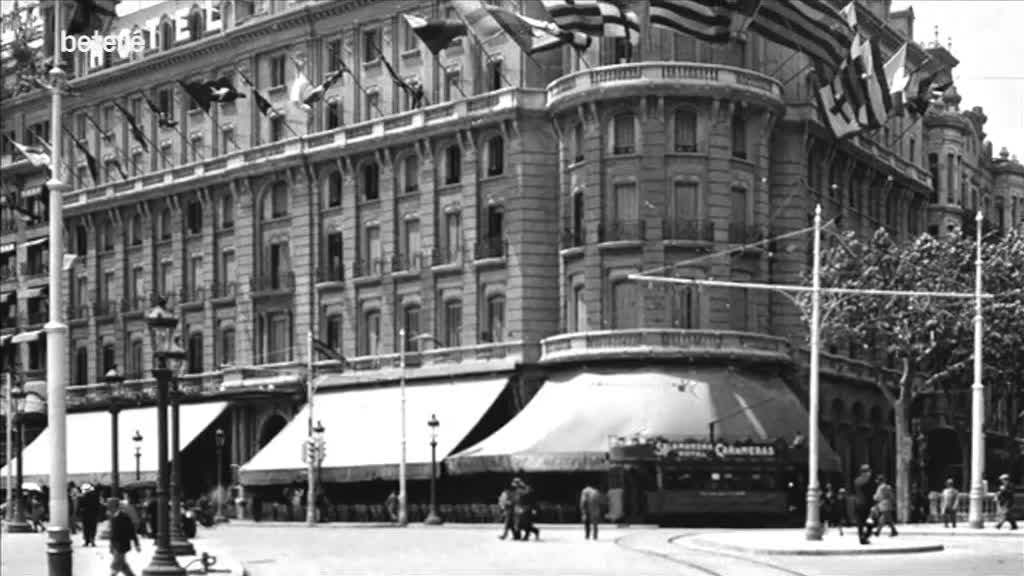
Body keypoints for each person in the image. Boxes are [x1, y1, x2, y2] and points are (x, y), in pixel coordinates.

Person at [107, 498, 141, 576]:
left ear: (115, 506)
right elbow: (113, 534)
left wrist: (136, 544)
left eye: (110, 506)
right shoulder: (114, 517)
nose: (109, 508)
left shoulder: (123, 517)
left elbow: (131, 531)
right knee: (123, 566)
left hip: (121, 545)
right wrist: (111, 546)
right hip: (116, 545)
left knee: (115, 565)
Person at [853, 464, 876, 545]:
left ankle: (861, 537)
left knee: (860, 522)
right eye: (868, 471)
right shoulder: (868, 481)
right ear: (865, 472)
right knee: (871, 521)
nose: (870, 472)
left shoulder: (856, 480)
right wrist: (873, 505)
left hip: (857, 503)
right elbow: (870, 493)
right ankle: (865, 536)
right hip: (866, 504)